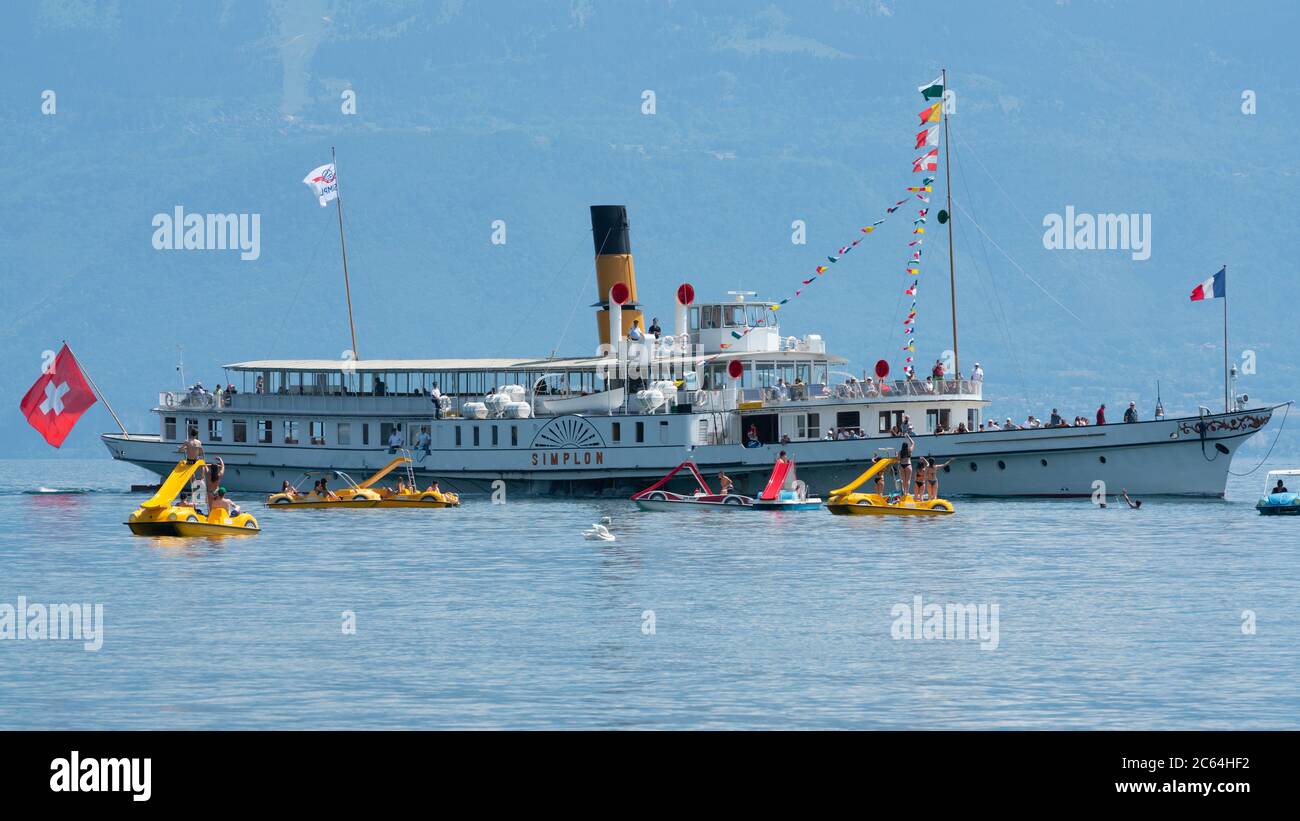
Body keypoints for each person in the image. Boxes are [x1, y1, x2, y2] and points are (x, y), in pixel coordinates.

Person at [898, 430, 915, 497]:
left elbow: (898, 459)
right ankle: (906, 492)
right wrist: (908, 437)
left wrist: (896, 455)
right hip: (908, 465)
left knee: (903, 480)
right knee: (908, 480)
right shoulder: (909, 450)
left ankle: (903, 491)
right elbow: (913, 443)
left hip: (902, 465)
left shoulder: (900, 452)